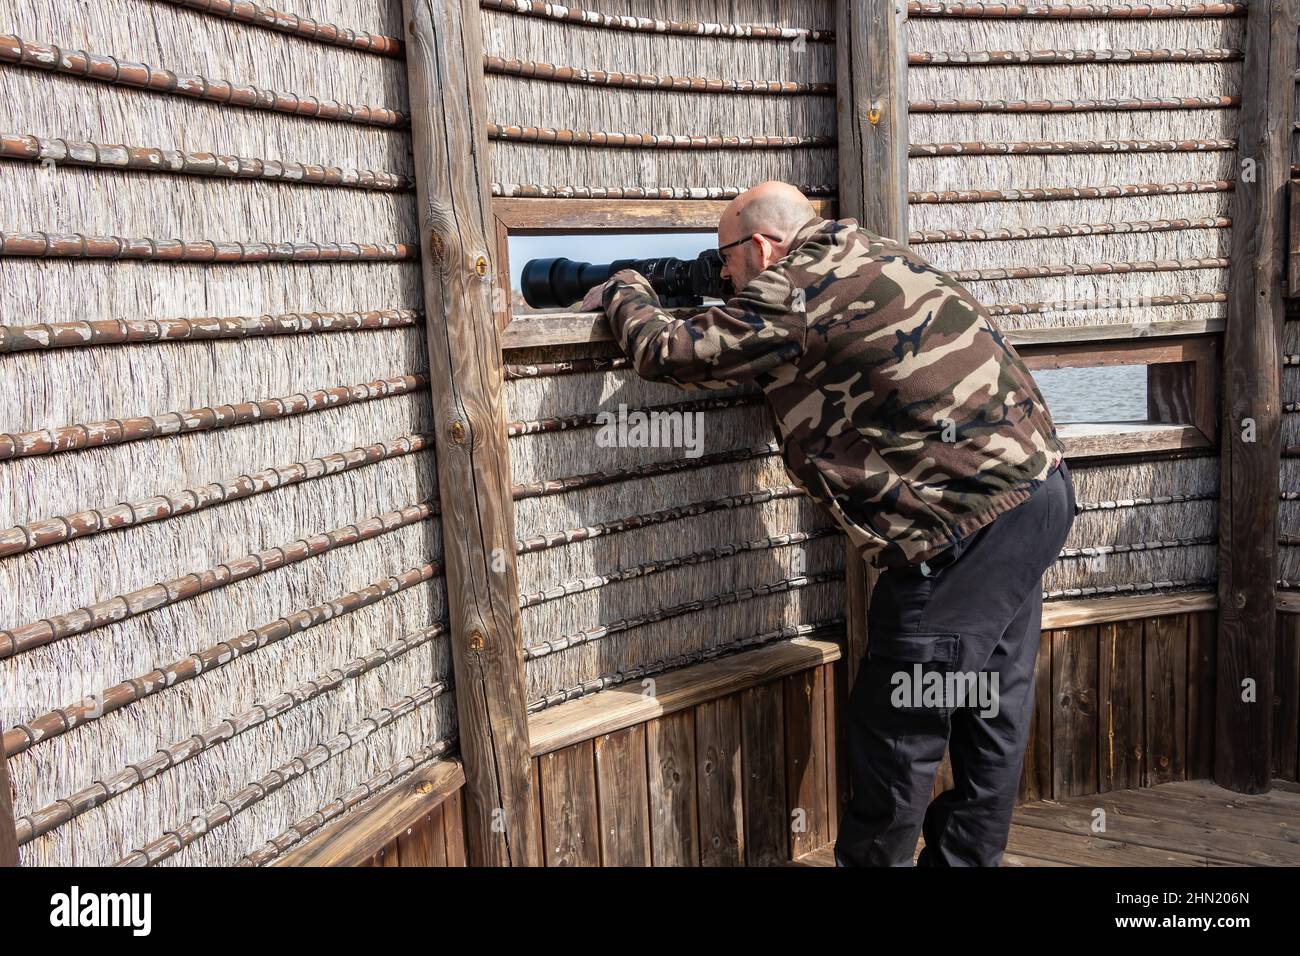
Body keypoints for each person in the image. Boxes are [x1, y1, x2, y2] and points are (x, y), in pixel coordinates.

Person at [579, 180, 1077, 866]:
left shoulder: (795, 290)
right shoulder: (867, 251)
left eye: (726, 260)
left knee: (897, 727)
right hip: (1036, 495)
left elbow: (667, 355)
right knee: (989, 702)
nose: (723, 274)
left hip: (963, 530)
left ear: (760, 246)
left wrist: (624, 290)